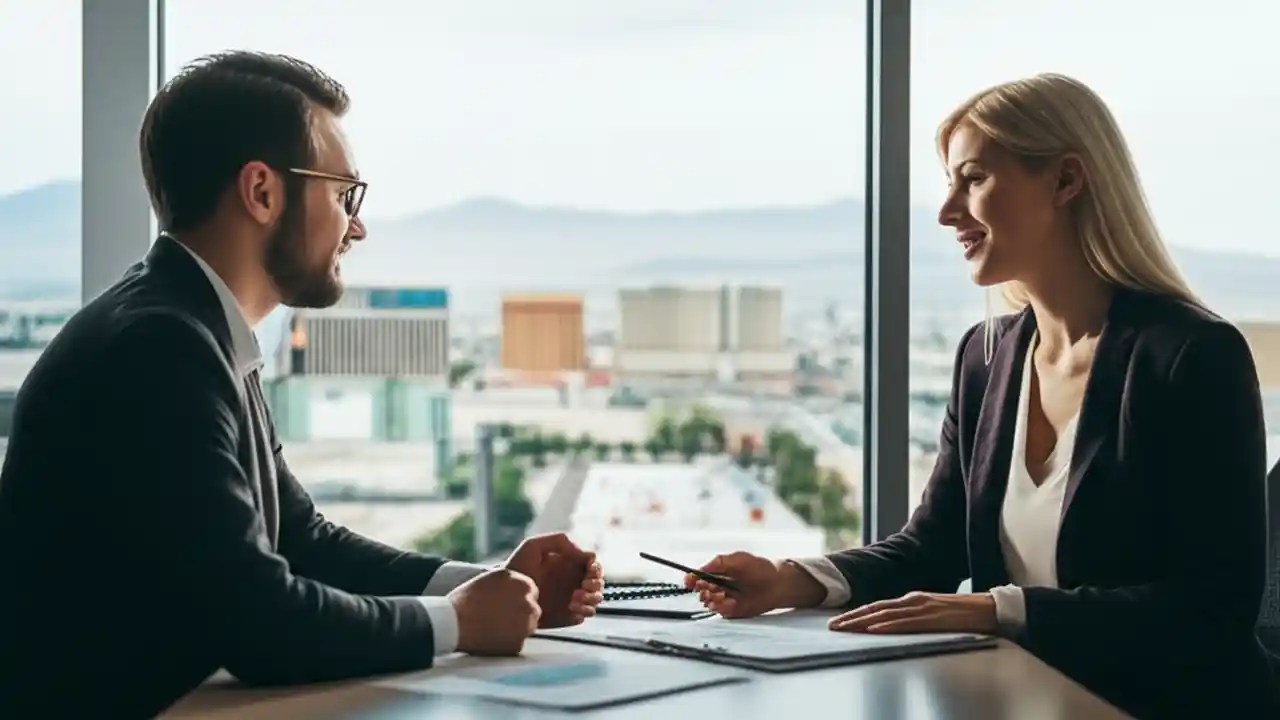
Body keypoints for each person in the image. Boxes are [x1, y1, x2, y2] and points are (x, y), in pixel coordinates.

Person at [0, 51, 604, 718]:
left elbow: (300, 539)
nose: (358, 225)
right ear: (262, 192)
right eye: (344, 194)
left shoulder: (190, 327)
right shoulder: (158, 348)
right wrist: (458, 621)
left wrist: (490, 585)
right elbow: (261, 623)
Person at [685, 74, 1277, 718]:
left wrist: (998, 609)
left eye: (973, 180)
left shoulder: (1192, 357)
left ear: (1065, 181)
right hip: (1030, 700)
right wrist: (790, 579)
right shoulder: (986, 356)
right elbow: (932, 548)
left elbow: (1210, 610)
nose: (947, 211)